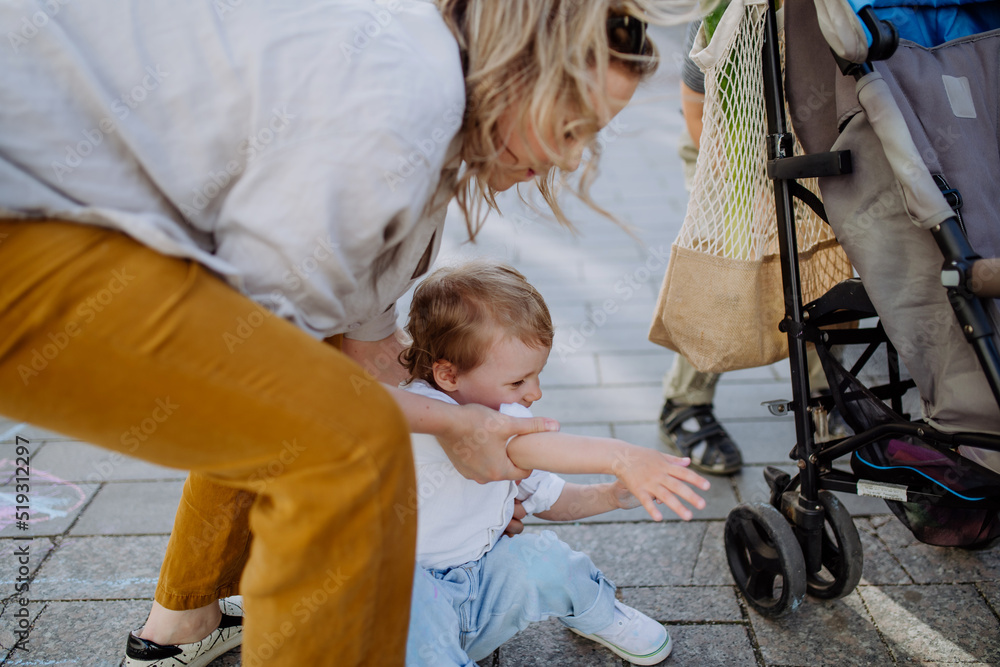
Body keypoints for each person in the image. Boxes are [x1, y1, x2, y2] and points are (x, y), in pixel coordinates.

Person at [0, 1, 668, 665]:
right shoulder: (406, 103)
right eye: (571, 124)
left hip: (54, 206)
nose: (572, 158)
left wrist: (468, 481)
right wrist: (457, 428)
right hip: (22, 209)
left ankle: (183, 621)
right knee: (346, 445)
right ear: (522, 69)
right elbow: (265, 345)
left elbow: (340, 338)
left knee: (313, 415)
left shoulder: (423, 81)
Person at [398, 261, 710, 666]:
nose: (535, 394)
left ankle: (596, 611)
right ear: (447, 375)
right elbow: (531, 450)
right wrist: (624, 457)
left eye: (537, 376)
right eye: (518, 381)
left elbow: (552, 499)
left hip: (480, 590)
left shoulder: (498, 408)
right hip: (414, 612)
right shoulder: (428, 414)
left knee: (547, 560)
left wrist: (612, 495)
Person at [657, 20, 746, 476]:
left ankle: (827, 398)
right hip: (723, 140)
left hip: (825, 136)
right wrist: (745, 195)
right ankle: (685, 399)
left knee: (830, 263)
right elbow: (696, 109)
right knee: (728, 259)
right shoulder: (725, 11)